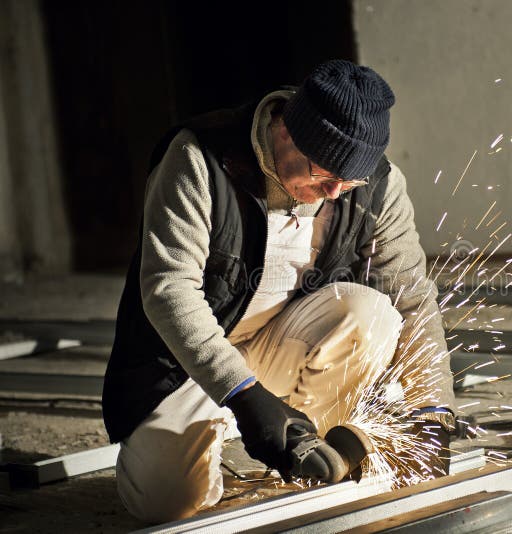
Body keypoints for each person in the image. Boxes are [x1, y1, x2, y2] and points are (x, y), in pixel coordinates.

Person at [101, 59, 456, 523]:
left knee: (372, 314)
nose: (332, 194)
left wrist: (434, 410)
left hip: (279, 344)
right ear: (285, 129)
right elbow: (170, 292)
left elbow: (411, 298)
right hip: (186, 365)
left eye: (349, 183)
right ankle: (230, 428)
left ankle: (309, 443)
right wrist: (246, 397)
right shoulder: (199, 159)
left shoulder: (377, 187)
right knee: (167, 504)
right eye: (321, 174)